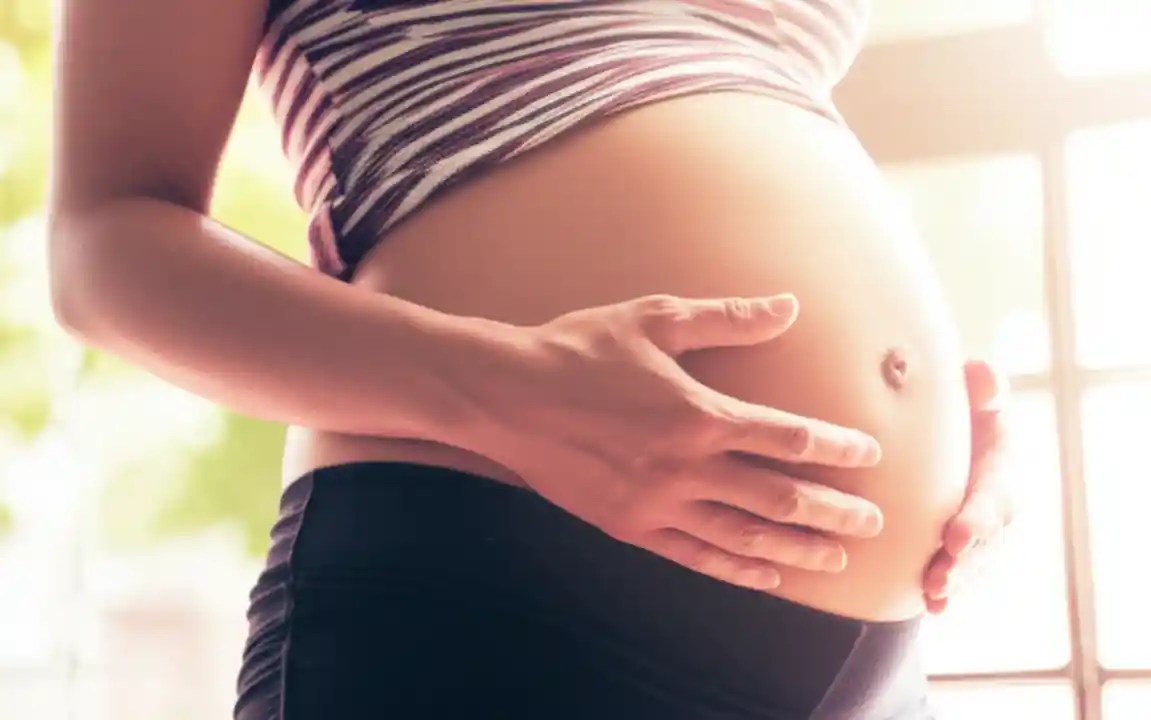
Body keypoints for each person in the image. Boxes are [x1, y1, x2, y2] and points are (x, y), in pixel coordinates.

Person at [47, 0, 1013, 717]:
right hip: (496, 587)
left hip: (873, 651)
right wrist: (508, 394)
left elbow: (722, 91)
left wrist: (935, 411)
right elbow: (101, 247)